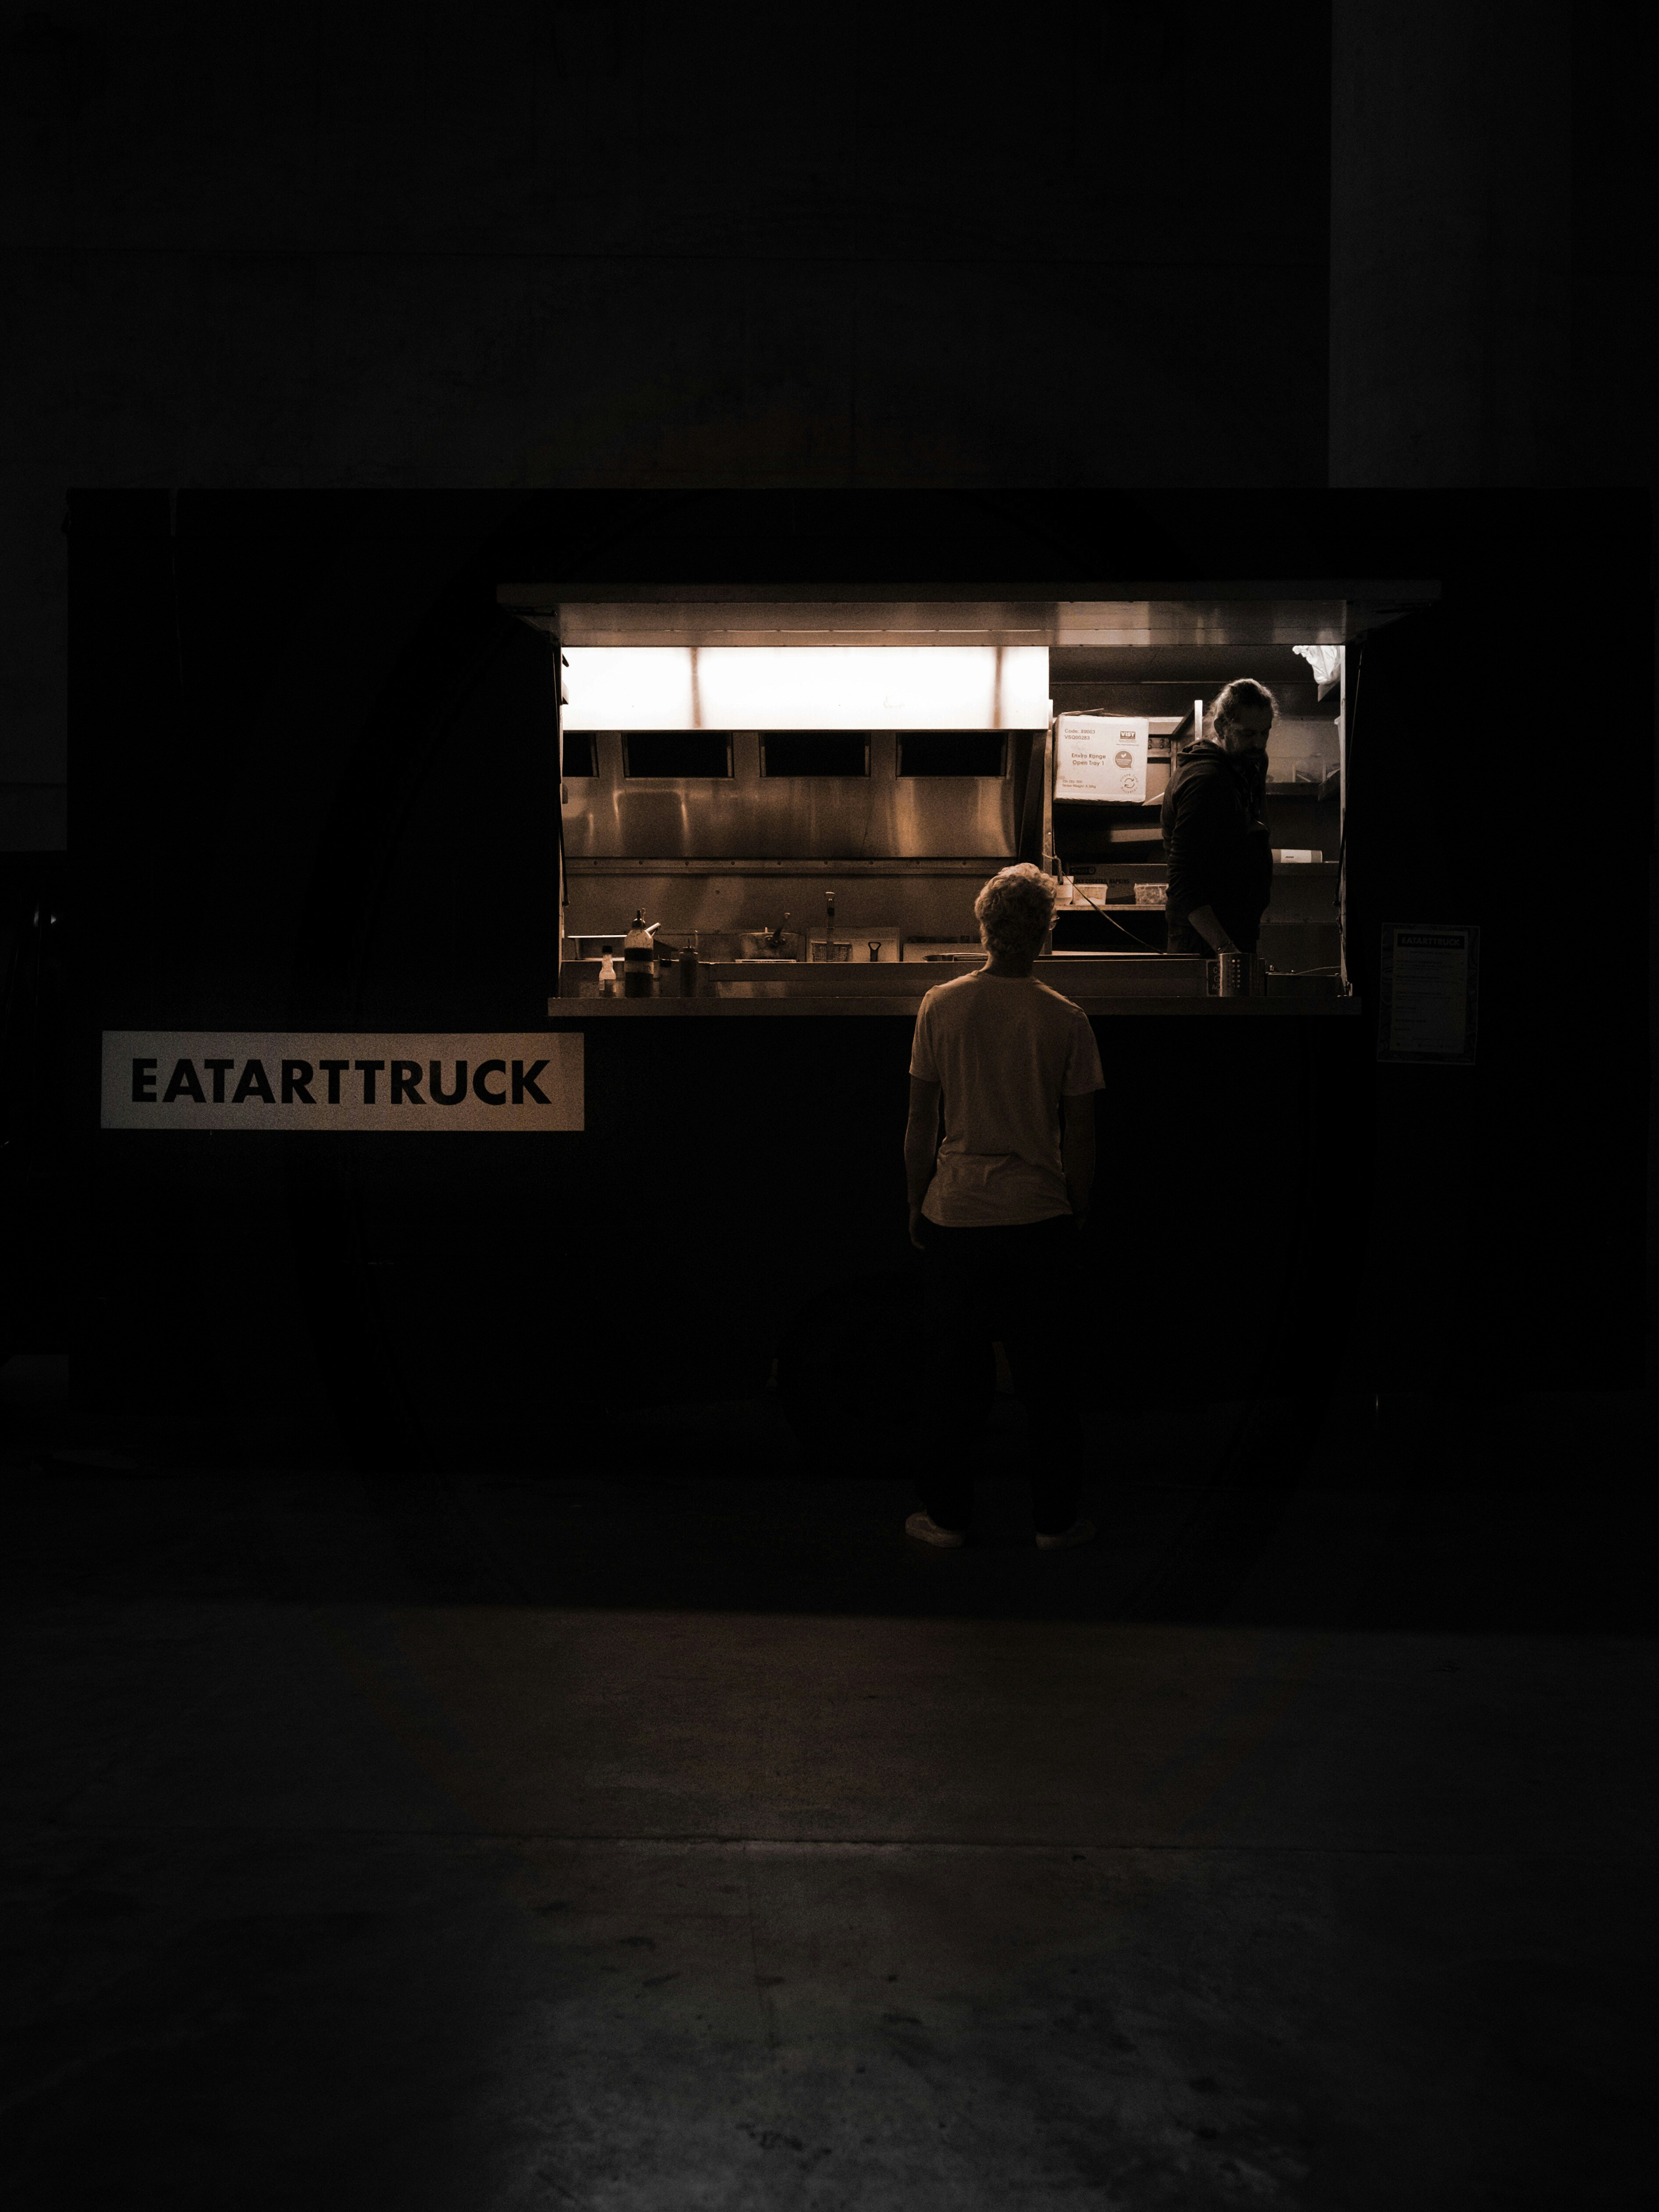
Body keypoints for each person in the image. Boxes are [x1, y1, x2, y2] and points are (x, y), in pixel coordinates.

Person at [901, 863, 1105, 1550]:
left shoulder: (941, 1004)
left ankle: (948, 1518)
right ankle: (1054, 1522)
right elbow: (1079, 1131)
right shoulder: (1066, 1017)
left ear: (982, 928)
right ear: (1045, 936)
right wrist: (1075, 1207)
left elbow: (920, 1124)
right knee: (1048, 1382)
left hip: (955, 1212)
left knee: (951, 1380)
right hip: (1037, 1217)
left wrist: (915, 1199)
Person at [1161, 677, 1278, 962]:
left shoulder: (1246, 765)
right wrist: (1226, 949)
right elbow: (1183, 879)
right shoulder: (1207, 781)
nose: (1259, 743)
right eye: (1248, 733)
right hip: (1204, 942)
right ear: (1220, 728)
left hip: (1232, 933)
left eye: (1265, 733)